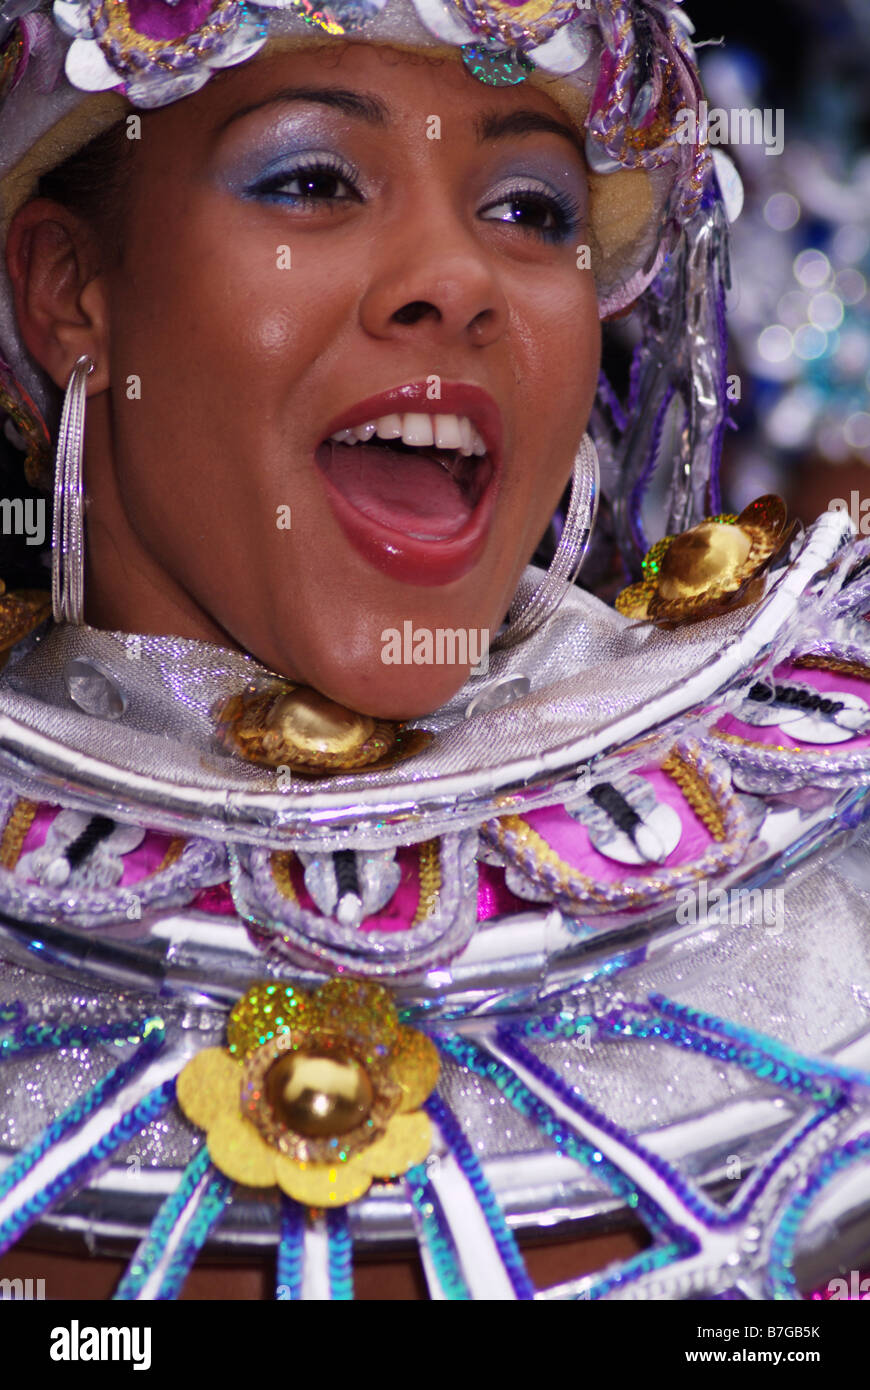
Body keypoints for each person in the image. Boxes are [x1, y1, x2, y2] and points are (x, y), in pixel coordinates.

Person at [0, 0, 868, 1303]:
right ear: (74, 291)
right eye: (309, 182)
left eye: (528, 210)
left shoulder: (818, 893)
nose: (454, 280)